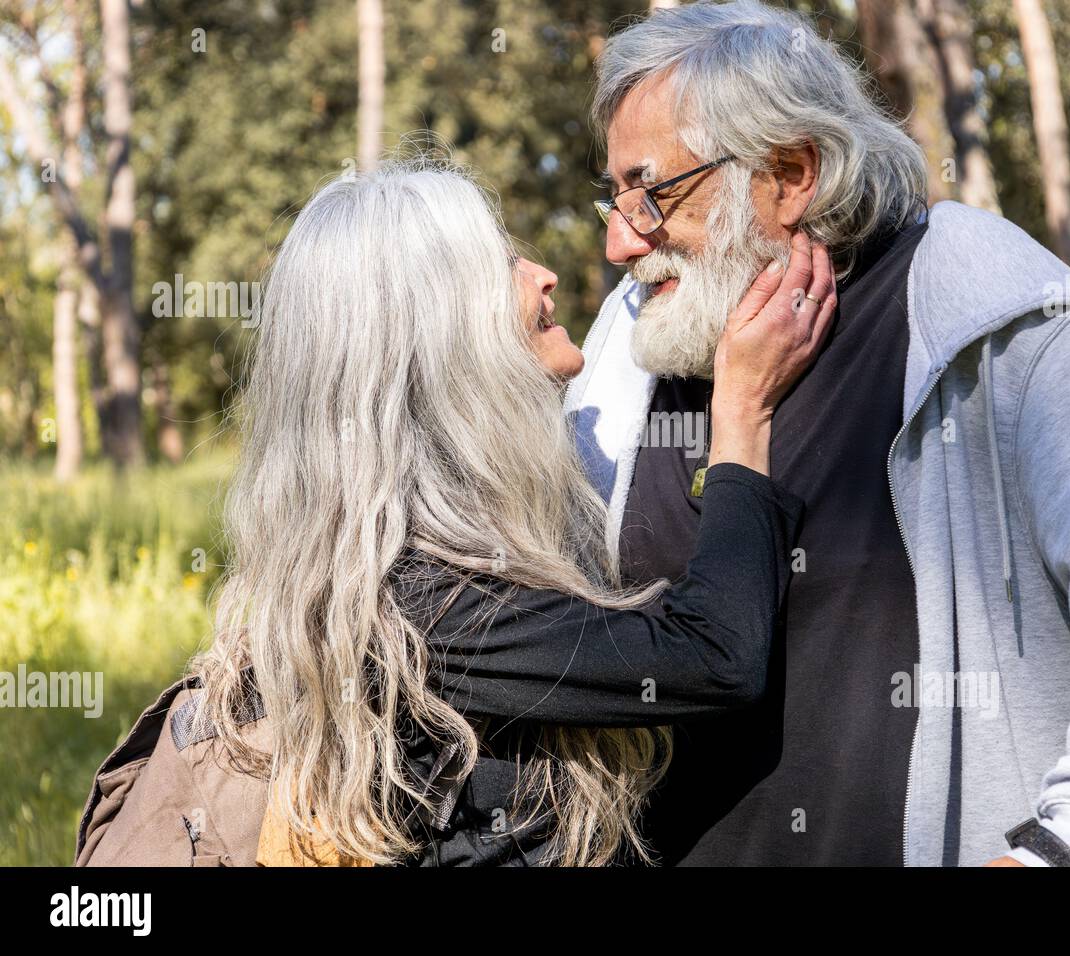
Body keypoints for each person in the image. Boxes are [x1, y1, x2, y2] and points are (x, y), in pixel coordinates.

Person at [567, 0, 1070, 866]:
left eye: (653, 191)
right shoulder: (632, 339)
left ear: (791, 173)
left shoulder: (982, 307)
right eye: (614, 195)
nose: (617, 241)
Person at [79, 156, 835, 867]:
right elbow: (715, 658)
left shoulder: (411, 560)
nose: (545, 276)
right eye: (502, 267)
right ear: (437, 338)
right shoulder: (433, 603)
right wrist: (743, 411)